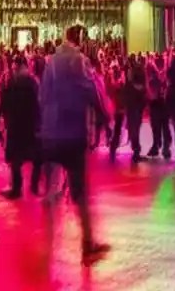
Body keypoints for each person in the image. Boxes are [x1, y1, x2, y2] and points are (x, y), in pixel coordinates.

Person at [39, 25, 111, 264]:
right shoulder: (78, 61)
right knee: (80, 191)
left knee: (51, 187)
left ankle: (47, 243)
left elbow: (42, 95)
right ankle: (87, 245)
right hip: (72, 132)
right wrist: (104, 116)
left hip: (50, 132)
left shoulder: (50, 63)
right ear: (79, 39)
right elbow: (92, 91)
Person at [0, 55, 41, 199]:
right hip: (30, 124)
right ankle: (34, 184)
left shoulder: (12, 82)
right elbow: (39, 103)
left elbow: (5, 104)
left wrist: (5, 119)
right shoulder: (33, 83)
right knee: (36, 156)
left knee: (16, 160)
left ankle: (17, 189)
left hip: (16, 125)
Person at [146, 53, 172, 160]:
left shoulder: (165, 71)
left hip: (163, 101)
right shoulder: (152, 71)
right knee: (156, 125)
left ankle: (164, 147)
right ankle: (157, 145)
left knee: (164, 125)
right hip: (155, 101)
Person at [123, 57, 148, 164]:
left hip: (132, 110)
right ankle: (136, 151)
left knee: (133, 130)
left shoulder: (129, 86)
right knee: (135, 130)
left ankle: (136, 150)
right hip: (136, 110)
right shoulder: (141, 88)